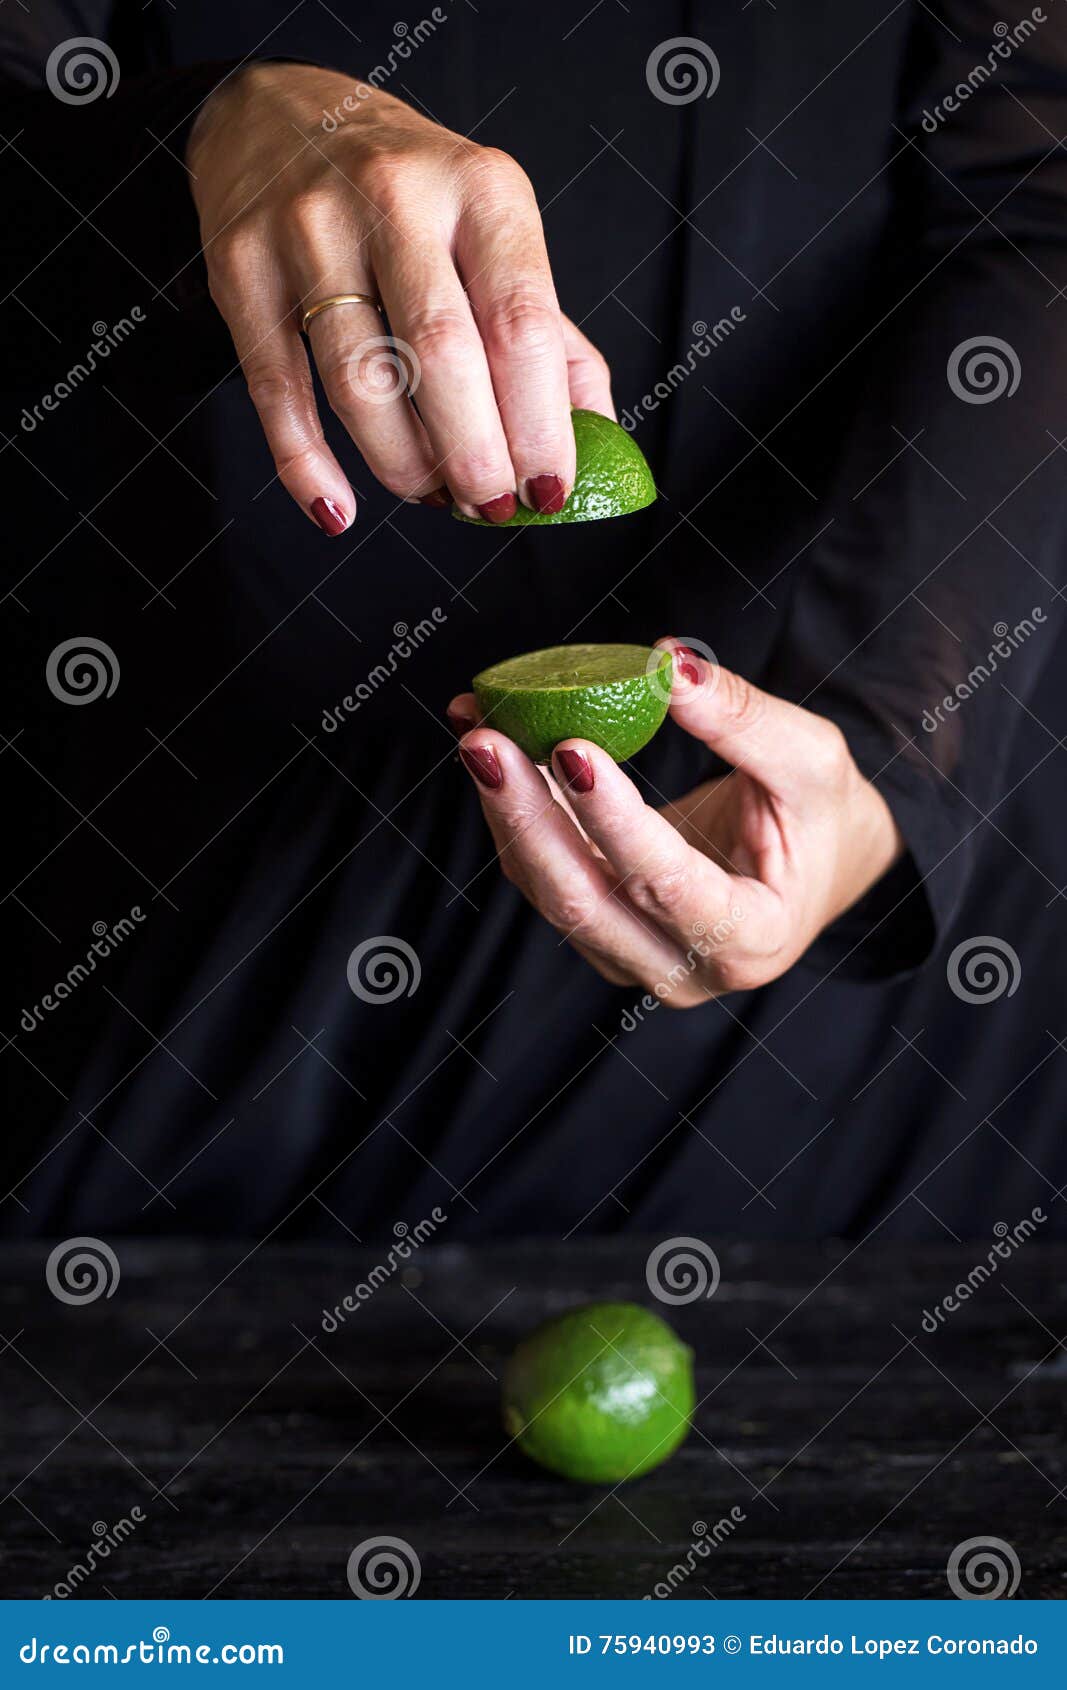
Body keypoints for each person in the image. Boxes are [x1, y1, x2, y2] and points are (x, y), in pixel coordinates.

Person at [2, 2, 1065, 1240]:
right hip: (195, 936)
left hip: (842, 945)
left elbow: (1031, 198)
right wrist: (200, 133)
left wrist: (890, 748)